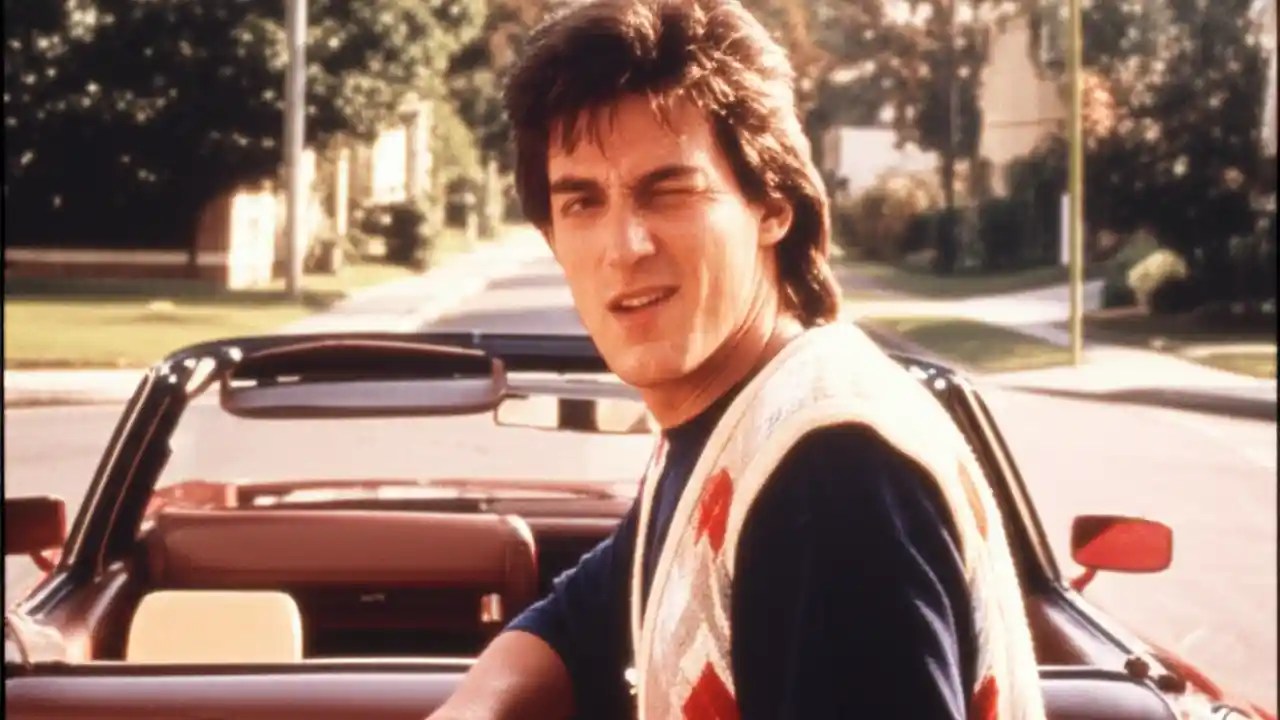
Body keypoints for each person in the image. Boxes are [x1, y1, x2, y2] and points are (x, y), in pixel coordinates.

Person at [429, 0, 1047, 718]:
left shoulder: (830, 470)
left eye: (670, 191)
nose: (624, 246)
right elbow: (589, 614)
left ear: (773, 204)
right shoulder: (738, 427)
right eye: (582, 203)